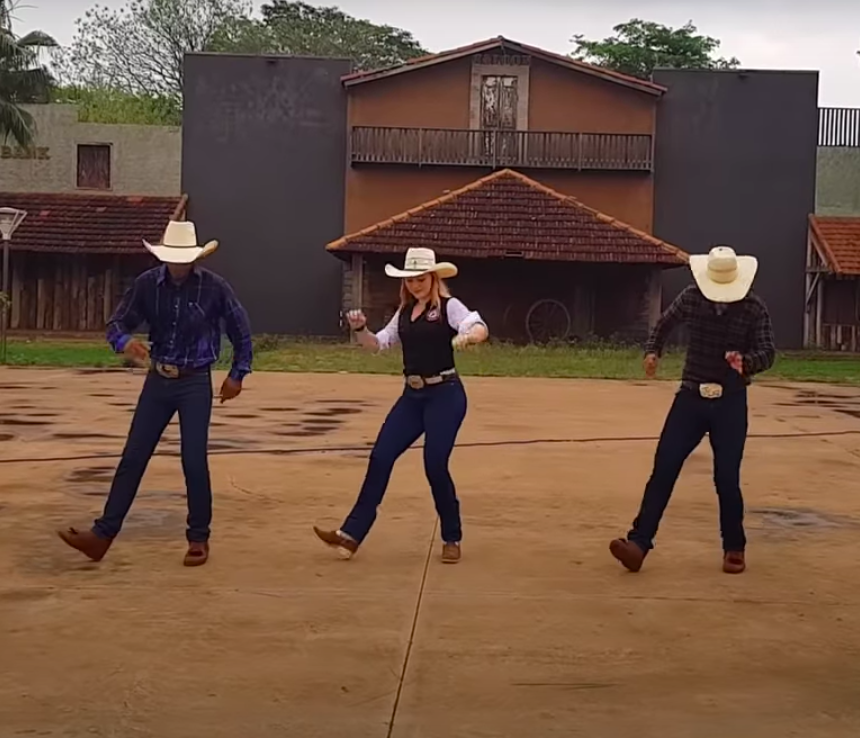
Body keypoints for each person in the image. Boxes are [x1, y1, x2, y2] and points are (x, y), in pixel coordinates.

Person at [57, 220, 253, 567]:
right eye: (171, 259)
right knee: (133, 457)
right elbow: (117, 323)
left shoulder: (214, 289)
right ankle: (102, 536)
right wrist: (124, 342)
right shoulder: (147, 286)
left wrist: (237, 375)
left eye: (182, 259)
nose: (176, 265)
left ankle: (198, 538)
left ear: (194, 258)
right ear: (163, 258)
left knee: (193, 460)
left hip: (195, 382)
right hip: (158, 379)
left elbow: (241, 329)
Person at [314, 247, 488, 564]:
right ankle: (351, 534)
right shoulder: (404, 313)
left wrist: (469, 336)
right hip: (412, 397)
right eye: (410, 280)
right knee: (380, 456)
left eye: (420, 279)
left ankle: (452, 536)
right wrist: (360, 329)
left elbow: (477, 326)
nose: (415, 285)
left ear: (433, 278)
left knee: (434, 464)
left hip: (445, 395)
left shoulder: (448, 307)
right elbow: (379, 343)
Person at [609, 245, 775, 575]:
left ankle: (734, 547)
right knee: (664, 467)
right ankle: (639, 544)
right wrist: (653, 351)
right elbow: (664, 323)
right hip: (690, 396)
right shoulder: (691, 296)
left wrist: (747, 363)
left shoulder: (754, 308)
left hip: (730, 399)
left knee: (726, 476)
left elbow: (768, 351)